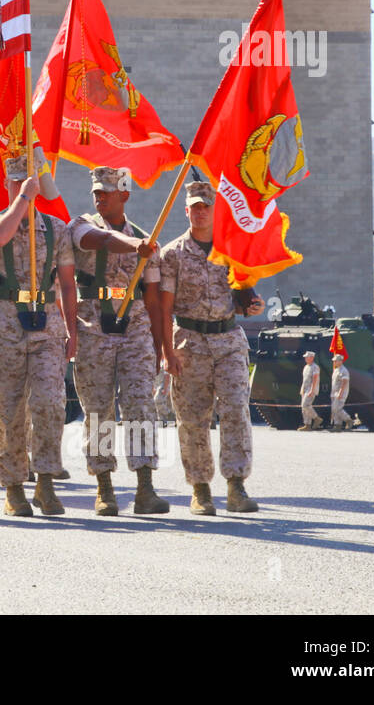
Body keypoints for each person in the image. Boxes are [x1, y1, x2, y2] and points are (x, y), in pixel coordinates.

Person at [0, 154, 78, 517]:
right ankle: (14, 486)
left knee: (50, 403)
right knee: (9, 411)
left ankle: (45, 481)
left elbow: (68, 284)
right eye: (16, 182)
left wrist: (72, 330)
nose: (23, 187)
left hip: (47, 326)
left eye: (28, 181)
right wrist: (23, 199)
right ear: (7, 185)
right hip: (5, 327)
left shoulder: (56, 228)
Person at [160, 180, 263, 515]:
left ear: (215, 210)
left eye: (206, 206)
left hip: (228, 341)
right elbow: (164, 307)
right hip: (189, 343)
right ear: (186, 210)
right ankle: (200, 489)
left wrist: (252, 305)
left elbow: (244, 292)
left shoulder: (233, 249)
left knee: (236, 411)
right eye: (195, 207)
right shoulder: (172, 254)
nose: (201, 212)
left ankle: (236, 485)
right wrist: (166, 352)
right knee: (192, 417)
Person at [70, 166, 167, 516]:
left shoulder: (146, 240)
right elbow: (98, 240)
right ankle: (104, 488)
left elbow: (153, 298)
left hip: (135, 330)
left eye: (106, 192)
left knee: (141, 405)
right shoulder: (81, 225)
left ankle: (145, 487)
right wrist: (135, 247)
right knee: (98, 409)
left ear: (124, 195)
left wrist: (158, 346)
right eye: (96, 192)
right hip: (93, 326)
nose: (99, 198)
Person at [297, 351, 322, 431]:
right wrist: (302, 389)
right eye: (305, 357)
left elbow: (315, 378)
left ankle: (316, 418)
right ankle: (307, 425)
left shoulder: (315, 367)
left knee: (306, 405)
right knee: (303, 408)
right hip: (305, 389)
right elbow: (304, 379)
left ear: (312, 358)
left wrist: (312, 390)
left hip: (311, 389)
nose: (305, 358)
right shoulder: (306, 367)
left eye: (307, 357)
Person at [329, 354, 353, 431]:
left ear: (340, 361)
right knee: (334, 409)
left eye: (335, 361)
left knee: (337, 408)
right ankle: (337, 425)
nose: (334, 362)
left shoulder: (344, 370)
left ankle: (348, 420)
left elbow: (344, 382)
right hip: (334, 393)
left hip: (341, 393)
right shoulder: (336, 370)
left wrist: (340, 392)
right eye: (334, 361)